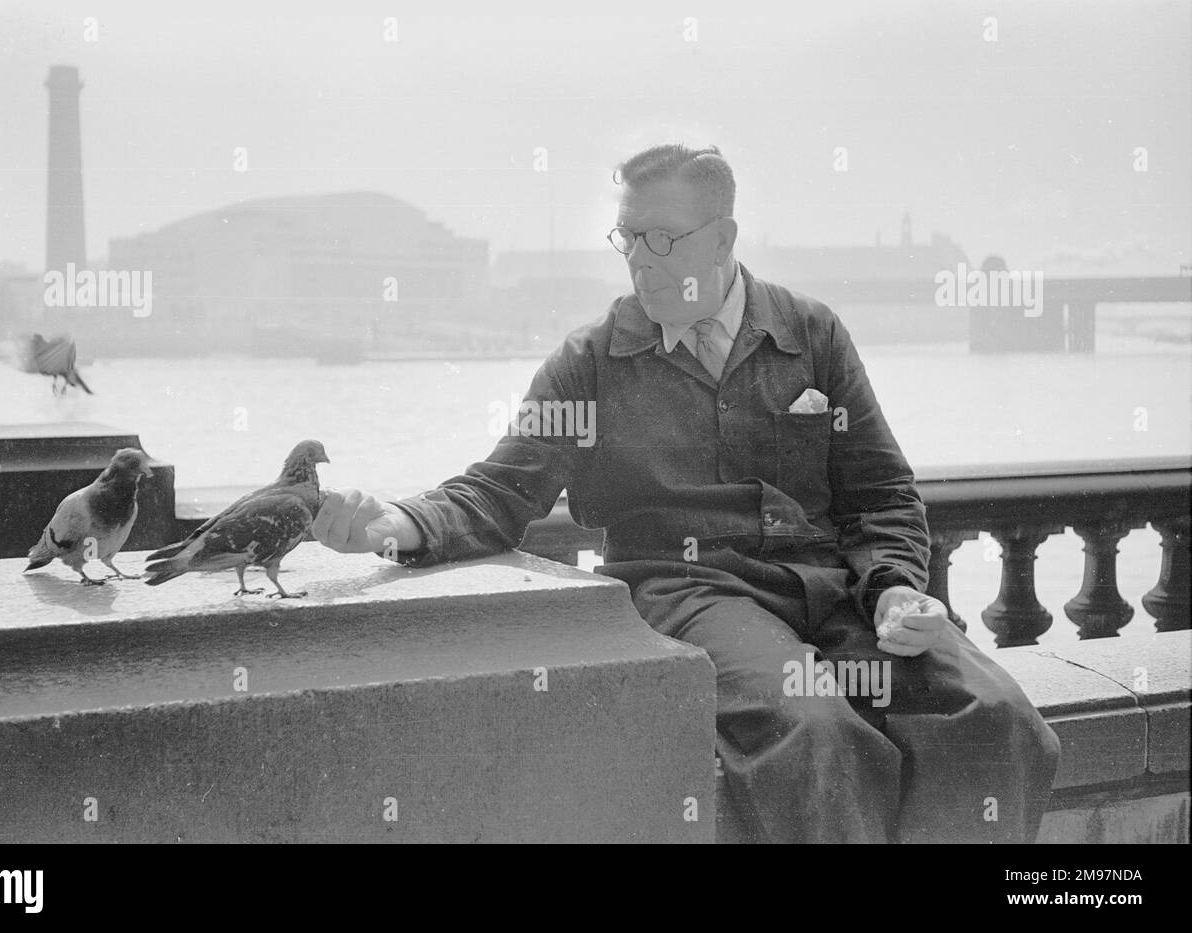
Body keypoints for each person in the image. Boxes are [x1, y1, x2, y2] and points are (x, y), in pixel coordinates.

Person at [313, 143, 1061, 843]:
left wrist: (896, 588)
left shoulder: (812, 333)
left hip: (833, 588)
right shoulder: (591, 362)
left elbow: (881, 492)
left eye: (660, 239)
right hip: (690, 589)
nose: (639, 262)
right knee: (813, 730)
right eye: (627, 238)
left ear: (723, 236)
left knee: (997, 718)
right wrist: (397, 521)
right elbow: (496, 491)